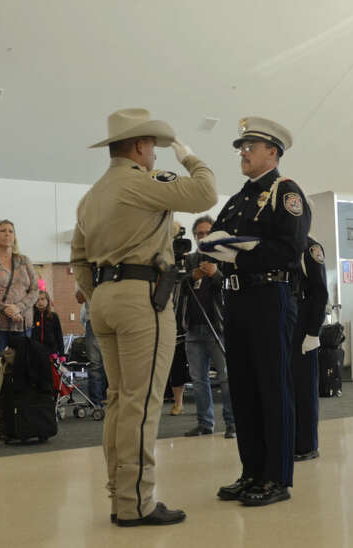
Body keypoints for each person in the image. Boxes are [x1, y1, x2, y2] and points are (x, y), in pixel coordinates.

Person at [71, 108, 217, 527]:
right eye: (152, 145)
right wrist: (189, 156)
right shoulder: (141, 182)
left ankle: (120, 496)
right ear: (139, 146)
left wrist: (99, 291)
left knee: (118, 400)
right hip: (142, 300)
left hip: (103, 299)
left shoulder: (91, 195)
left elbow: (78, 257)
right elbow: (205, 192)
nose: (155, 153)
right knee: (142, 403)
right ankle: (139, 501)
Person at [204, 117, 311, 507]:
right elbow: (218, 239)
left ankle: (276, 476)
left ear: (273, 151)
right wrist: (212, 247)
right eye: (242, 146)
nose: (243, 151)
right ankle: (252, 471)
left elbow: (290, 249)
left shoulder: (286, 193)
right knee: (244, 388)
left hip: (270, 296)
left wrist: (245, 250)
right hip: (236, 298)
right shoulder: (238, 199)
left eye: (251, 145)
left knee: (272, 386)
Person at [0, 220, 39, 438]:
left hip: (23, 323)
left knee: (23, 371)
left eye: (11, 231)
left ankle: (24, 420)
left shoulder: (24, 261)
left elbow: (35, 291)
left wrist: (18, 307)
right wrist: (6, 308)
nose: (7, 234)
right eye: (2, 231)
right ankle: (3, 422)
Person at [178, 215, 235, 438]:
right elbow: (179, 288)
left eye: (207, 232)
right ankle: (205, 424)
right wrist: (191, 277)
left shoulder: (226, 258)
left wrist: (216, 274)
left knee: (226, 378)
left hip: (218, 328)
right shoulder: (189, 260)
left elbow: (232, 287)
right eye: (199, 233)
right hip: (193, 328)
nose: (203, 237)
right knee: (199, 381)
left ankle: (232, 423)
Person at [292, 237, 329, 461]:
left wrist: (313, 332)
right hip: (285, 319)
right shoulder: (282, 243)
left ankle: (307, 445)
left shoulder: (310, 248)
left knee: (304, 387)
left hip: (303, 320)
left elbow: (320, 293)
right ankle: (290, 440)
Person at [77, 289, 106, 406]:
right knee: (96, 364)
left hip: (114, 317)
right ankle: (96, 401)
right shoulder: (86, 271)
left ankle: (103, 399)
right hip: (94, 320)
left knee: (109, 363)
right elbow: (79, 298)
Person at [31, 290, 64, 357]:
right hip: (36, 352)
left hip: (51, 352)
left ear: (47, 301)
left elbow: (59, 336)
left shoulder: (54, 316)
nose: (40, 302)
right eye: (37, 300)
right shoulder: (32, 316)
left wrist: (61, 354)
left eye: (42, 299)